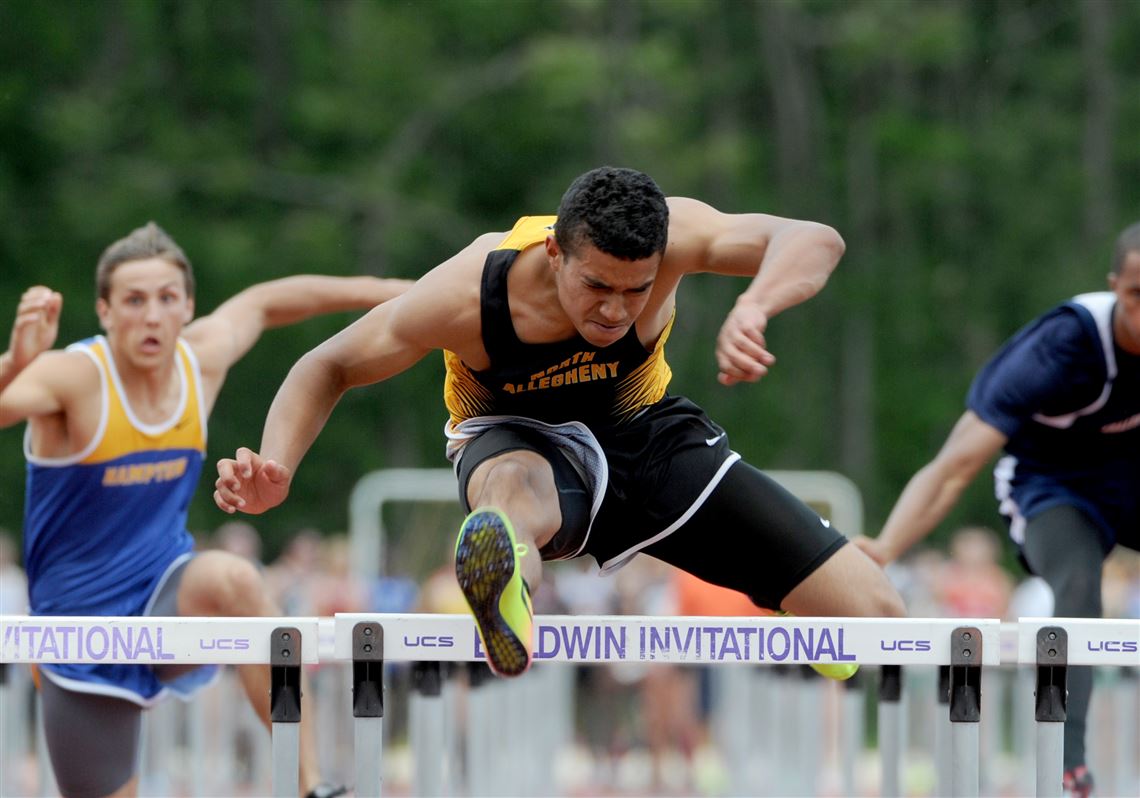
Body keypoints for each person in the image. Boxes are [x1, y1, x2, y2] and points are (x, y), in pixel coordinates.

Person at [214, 166, 905, 680]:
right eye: (596, 287)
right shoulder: (467, 294)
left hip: (646, 432)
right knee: (513, 490)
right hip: (520, 438)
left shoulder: (679, 233)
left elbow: (813, 238)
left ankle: (787, 589)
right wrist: (279, 464)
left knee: (879, 621)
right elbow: (327, 364)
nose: (614, 311)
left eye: (636, 292)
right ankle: (505, 581)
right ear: (555, 252)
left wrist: (757, 304)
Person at [0, 221, 410, 798]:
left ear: (187, 306)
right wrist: (16, 363)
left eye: (167, 299)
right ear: (105, 311)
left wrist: (395, 290)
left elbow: (265, 302)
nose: (152, 316)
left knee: (234, 577)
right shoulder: (71, 377)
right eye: (134, 301)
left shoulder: (202, 358)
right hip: (78, 630)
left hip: (167, 592)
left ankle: (311, 785)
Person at [856, 221, 1140, 798]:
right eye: (1139, 297)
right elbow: (955, 465)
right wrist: (887, 546)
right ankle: (1069, 764)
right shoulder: (1062, 347)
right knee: (1078, 586)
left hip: (1132, 478)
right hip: (1053, 488)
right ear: (1115, 287)